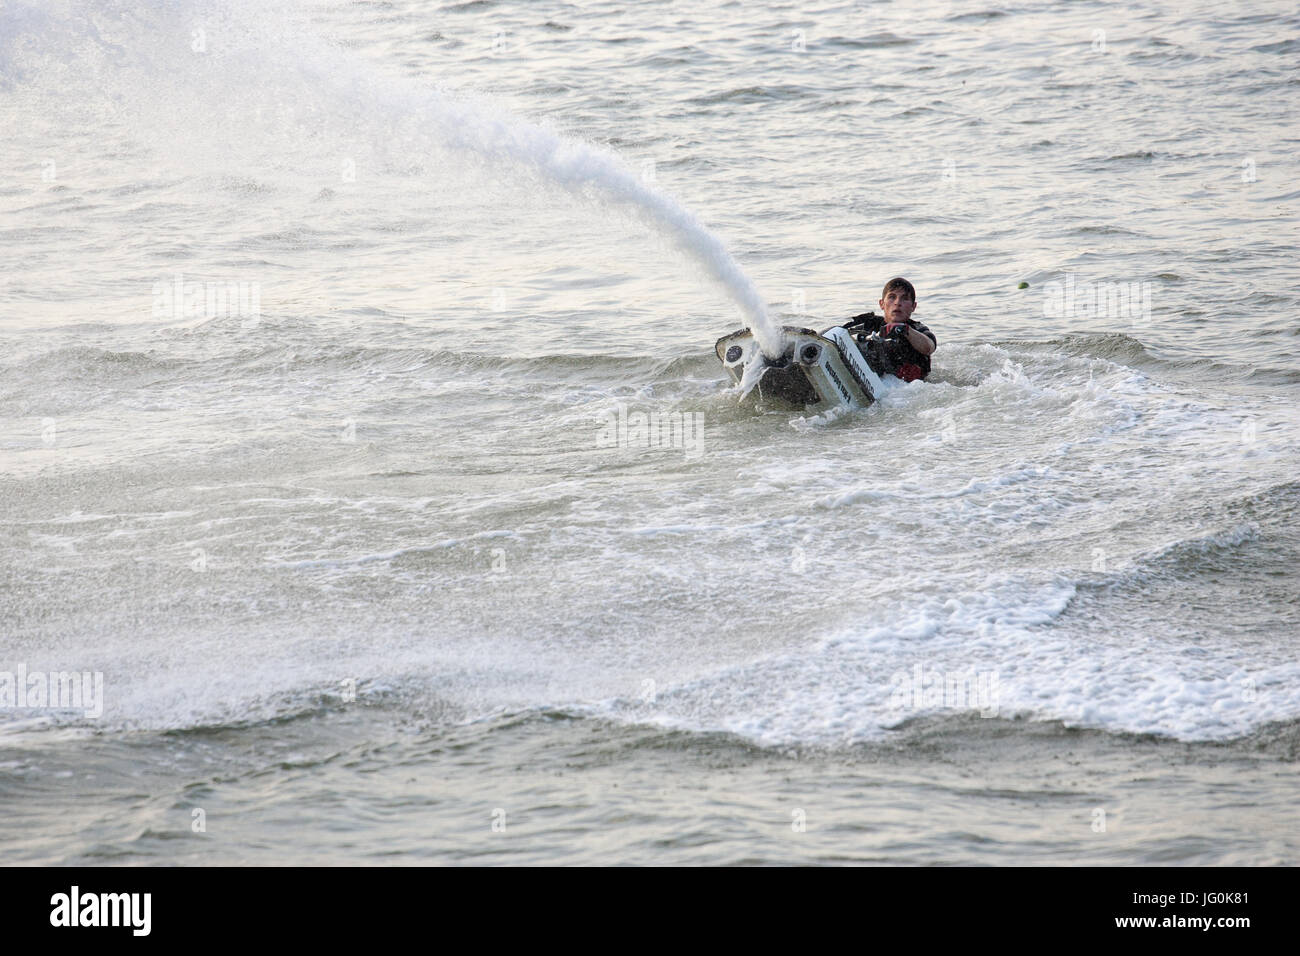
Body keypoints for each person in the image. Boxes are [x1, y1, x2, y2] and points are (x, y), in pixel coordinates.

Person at [838, 277, 937, 382]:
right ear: (881, 304)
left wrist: (905, 330)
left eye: (904, 298)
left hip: (906, 390)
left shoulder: (917, 330)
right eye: (892, 297)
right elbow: (836, 335)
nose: (898, 302)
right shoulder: (868, 324)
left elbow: (929, 347)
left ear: (913, 306)